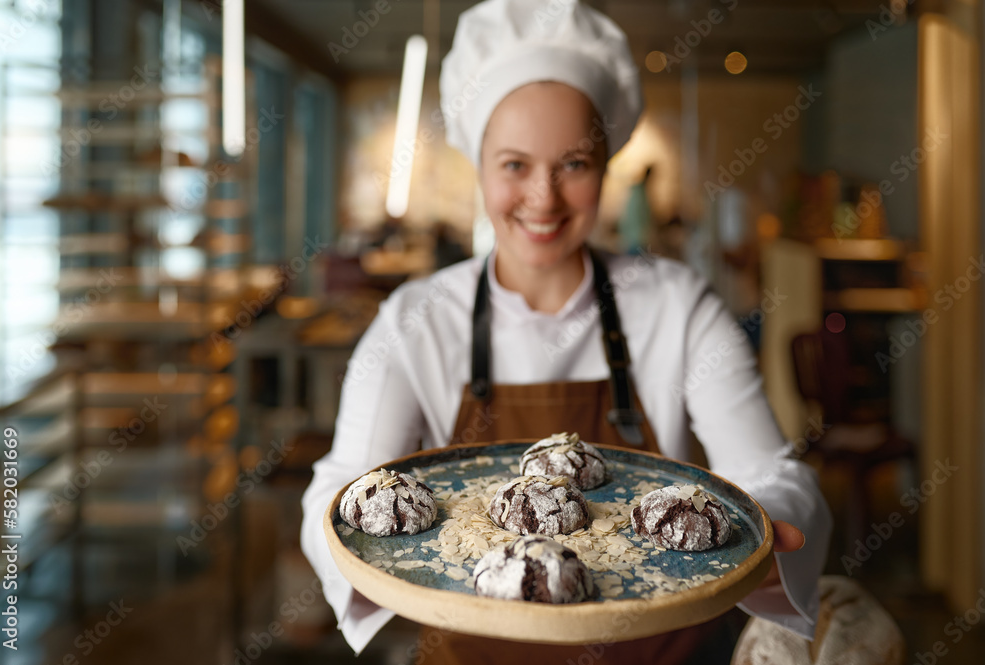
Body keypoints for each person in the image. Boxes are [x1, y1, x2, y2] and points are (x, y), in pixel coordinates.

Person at [301, 1, 831, 663]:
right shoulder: (416, 319)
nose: (544, 198)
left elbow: (768, 472)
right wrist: (364, 548)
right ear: (479, 164)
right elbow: (342, 487)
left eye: (573, 164)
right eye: (515, 164)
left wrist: (769, 521)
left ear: (607, 164)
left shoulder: (676, 303)